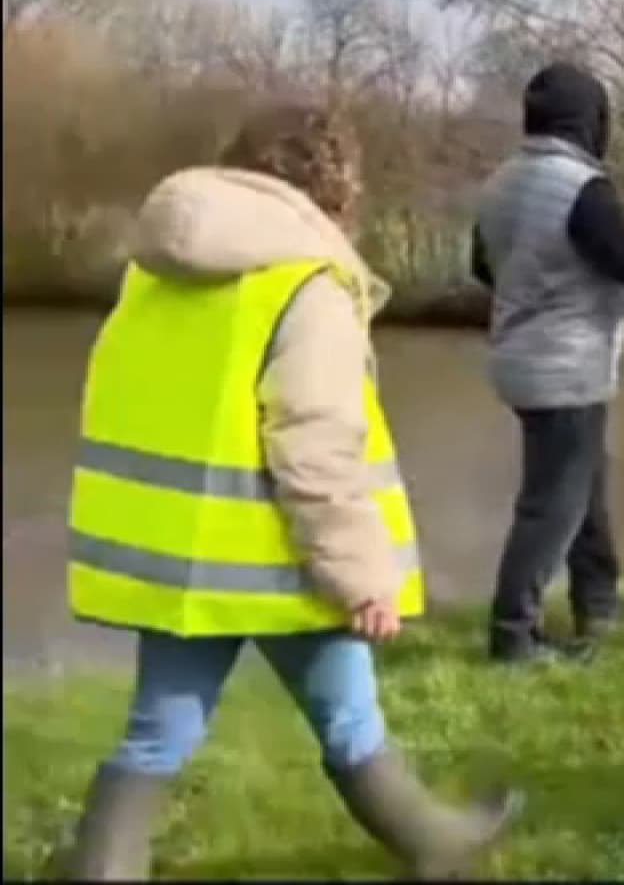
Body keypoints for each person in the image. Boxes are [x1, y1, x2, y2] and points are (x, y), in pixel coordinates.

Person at [62, 105, 521, 879]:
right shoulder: (308, 281)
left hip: (183, 554)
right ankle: (437, 846)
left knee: (157, 732)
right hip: (282, 555)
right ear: (334, 189)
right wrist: (362, 578)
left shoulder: (155, 269)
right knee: (349, 719)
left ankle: (98, 870)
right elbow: (316, 443)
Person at [471, 61, 624, 665]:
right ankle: (514, 636)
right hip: (563, 365)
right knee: (552, 503)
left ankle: (600, 602)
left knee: (582, 485)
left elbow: (484, 268)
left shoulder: (502, 182)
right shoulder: (580, 187)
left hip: (519, 355)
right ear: (592, 120)